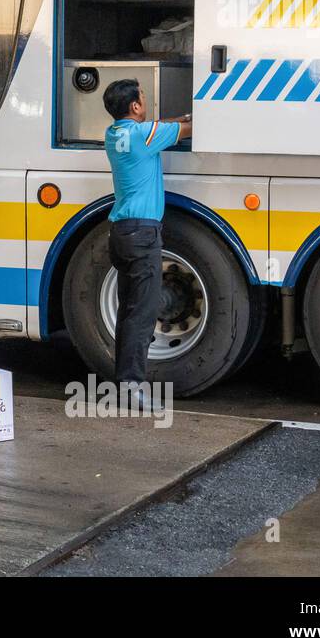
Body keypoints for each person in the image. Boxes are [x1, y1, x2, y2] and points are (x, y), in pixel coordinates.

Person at [102, 79, 192, 410]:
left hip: (121, 232)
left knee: (129, 311)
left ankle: (123, 381)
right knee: (143, 313)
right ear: (136, 107)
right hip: (142, 234)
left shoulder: (115, 136)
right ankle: (131, 385)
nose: (146, 101)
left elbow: (166, 126)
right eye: (143, 98)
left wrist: (177, 119)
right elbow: (185, 129)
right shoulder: (144, 135)